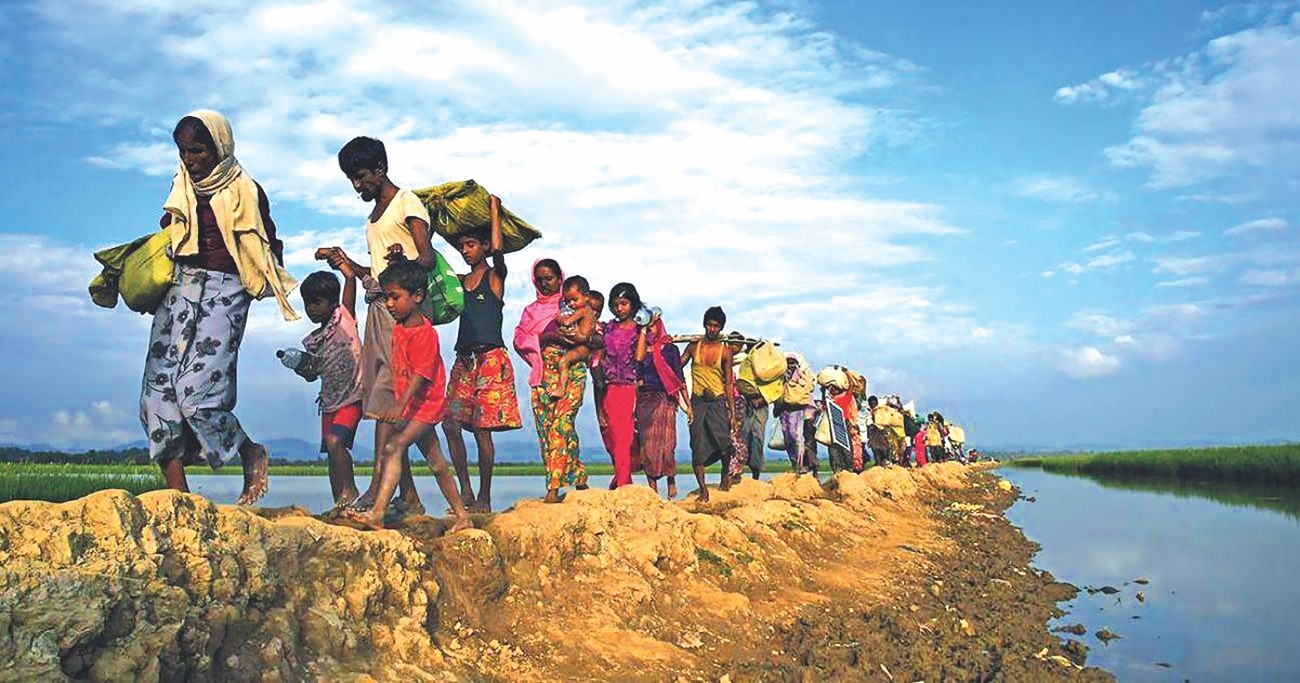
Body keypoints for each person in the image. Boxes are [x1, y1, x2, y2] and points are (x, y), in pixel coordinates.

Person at [140, 110, 297, 504]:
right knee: (157, 393)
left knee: (198, 392)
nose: (189, 159)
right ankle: (180, 497)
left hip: (227, 290)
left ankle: (250, 452)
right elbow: (169, 230)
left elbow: (267, 242)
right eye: (183, 151)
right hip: (180, 287)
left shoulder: (247, 190)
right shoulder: (181, 185)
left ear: (220, 147)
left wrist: (263, 277)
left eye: (197, 151)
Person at [322, 136, 437, 521]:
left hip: (402, 315)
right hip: (379, 310)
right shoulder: (372, 219)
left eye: (361, 177)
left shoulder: (407, 202)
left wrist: (404, 265)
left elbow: (426, 258)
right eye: (352, 180)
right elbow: (376, 275)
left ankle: (376, 488)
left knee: (392, 399)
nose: (358, 185)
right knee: (382, 400)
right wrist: (346, 264)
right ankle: (408, 496)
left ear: (380, 170)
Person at [340, 261, 469, 531]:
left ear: (417, 296)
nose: (389, 304)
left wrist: (399, 405)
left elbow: (420, 375)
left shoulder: (425, 334)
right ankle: (462, 516)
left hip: (425, 406)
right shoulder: (400, 329)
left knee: (393, 447)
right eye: (386, 297)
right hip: (412, 406)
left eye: (395, 297)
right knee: (437, 463)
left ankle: (377, 513)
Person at [442, 200, 524, 513]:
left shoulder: (494, 276)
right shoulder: (460, 282)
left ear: (484, 247)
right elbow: (431, 270)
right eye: (462, 246)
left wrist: (493, 209)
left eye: (471, 245)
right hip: (464, 360)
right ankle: (465, 491)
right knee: (450, 424)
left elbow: (499, 251)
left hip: (490, 359)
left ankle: (484, 497)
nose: (465, 250)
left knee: (481, 429)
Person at [518, 262, 598, 503]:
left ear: (560, 279)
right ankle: (580, 479)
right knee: (547, 431)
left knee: (561, 424)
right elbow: (520, 339)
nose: (545, 283)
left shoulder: (574, 303)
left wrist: (581, 339)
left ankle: (553, 489)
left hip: (572, 370)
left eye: (549, 278)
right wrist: (547, 336)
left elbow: (598, 336)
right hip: (543, 375)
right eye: (540, 279)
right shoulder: (530, 311)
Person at [295, 268, 363, 507]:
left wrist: (343, 267)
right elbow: (312, 375)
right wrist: (303, 369)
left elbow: (350, 279)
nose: (311, 308)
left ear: (333, 302)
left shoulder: (344, 318)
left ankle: (350, 491)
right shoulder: (312, 341)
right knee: (333, 453)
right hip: (329, 402)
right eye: (307, 303)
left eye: (317, 302)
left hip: (353, 396)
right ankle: (340, 503)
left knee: (336, 442)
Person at [680, 306, 736, 503]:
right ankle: (703, 490)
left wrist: (732, 412)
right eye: (709, 325)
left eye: (716, 326)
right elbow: (677, 365)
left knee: (724, 444)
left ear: (721, 328)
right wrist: (663, 347)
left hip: (718, 402)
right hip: (698, 403)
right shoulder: (693, 347)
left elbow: (729, 383)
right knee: (697, 446)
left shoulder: (725, 351)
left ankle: (725, 475)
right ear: (704, 325)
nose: (712, 329)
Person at [598, 283, 646, 489]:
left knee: (623, 435)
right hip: (608, 386)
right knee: (610, 434)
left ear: (633, 304)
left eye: (624, 303)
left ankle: (623, 479)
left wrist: (645, 330)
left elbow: (640, 357)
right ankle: (620, 473)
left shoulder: (638, 329)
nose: (620, 308)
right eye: (616, 304)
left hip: (628, 387)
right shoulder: (608, 328)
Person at [635, 315, 687, 498]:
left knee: (667, 443)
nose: (650, 330)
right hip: (645, 400)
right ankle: (653, 487)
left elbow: (679, 377)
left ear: (659, 326)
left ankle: (671, 480)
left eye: (652, 326)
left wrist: (688, 404)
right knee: (648, 445)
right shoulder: (640, 349)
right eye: (646, 328)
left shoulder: (670, 349)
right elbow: (636, 376)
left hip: (666, 399)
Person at [726, 333, 767, 483]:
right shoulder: (738, 364)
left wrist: (761, 398)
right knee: (739, 438)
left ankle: (755, 476)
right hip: (741, 404)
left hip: (757, 405)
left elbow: (771, 387)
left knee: (756, 439)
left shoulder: (763, 367)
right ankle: (735, 474)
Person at [551, 276, 598, 399]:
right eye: (568, 301)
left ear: (586, 296)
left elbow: (567, 322)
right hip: (581, 343)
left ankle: (561, 388)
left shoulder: (584, 310)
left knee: (564, 361)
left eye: (575, 300)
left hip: (583, 345)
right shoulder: (586, 310)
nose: (571, 304)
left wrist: (557, 317)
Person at [773, 353, 818, 475]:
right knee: (788, 439)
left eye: (792, 362)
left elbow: (807, 394)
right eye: (788, 362)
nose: (790, 365)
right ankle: (795, 465)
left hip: (798, 411)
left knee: (797, 437)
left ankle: (801, 465)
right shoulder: (781, 377)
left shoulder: (802, 377)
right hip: (785, 411)